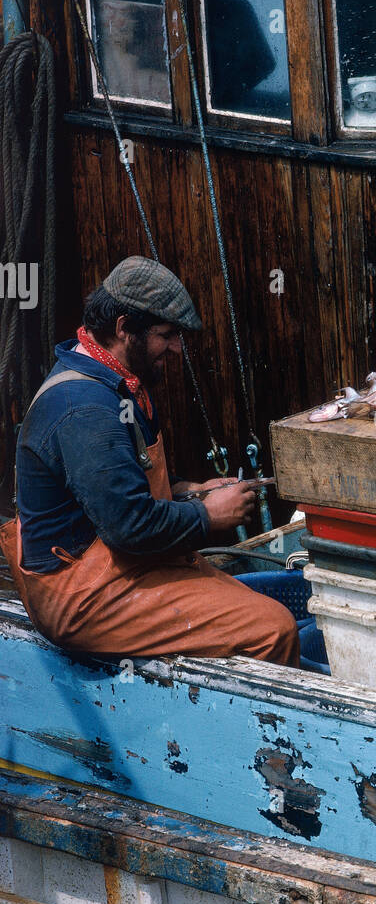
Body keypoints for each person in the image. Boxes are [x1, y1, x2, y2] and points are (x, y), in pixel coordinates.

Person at [0, 256, 299, 666]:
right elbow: (130, 526)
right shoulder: (84, 408)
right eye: (167, 335)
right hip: (84, 597)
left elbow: (118, 480)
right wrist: (207, 516)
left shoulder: (115, 381)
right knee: (273, 630)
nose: (177, 348)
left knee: (256, 605)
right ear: (124, 328)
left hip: (124, 566)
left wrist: (191, 491)